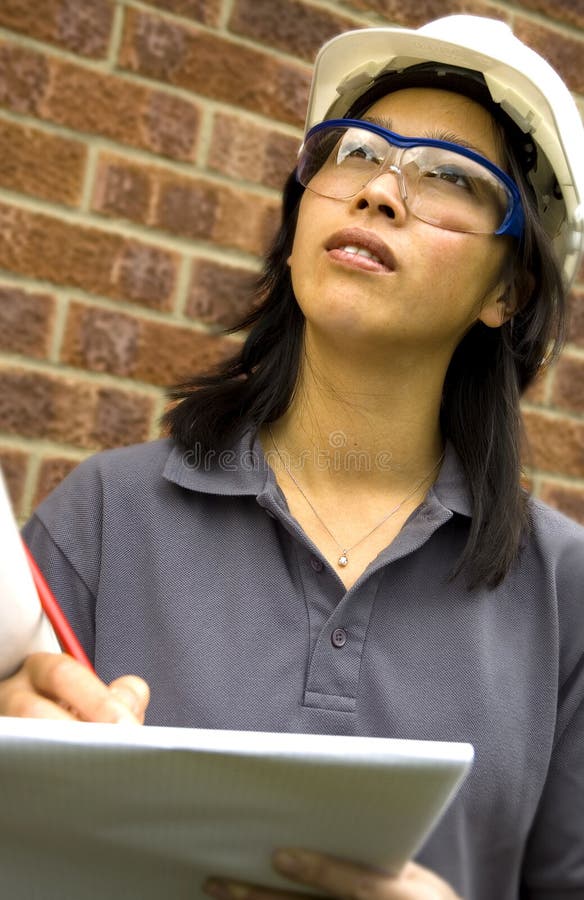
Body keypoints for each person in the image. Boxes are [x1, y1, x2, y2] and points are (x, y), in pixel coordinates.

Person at [1, 13, 583, 900]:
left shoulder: (565, 593)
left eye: (451, 177)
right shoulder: (104, 516)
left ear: (510, 289)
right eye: (355, 151)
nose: (379, 190)